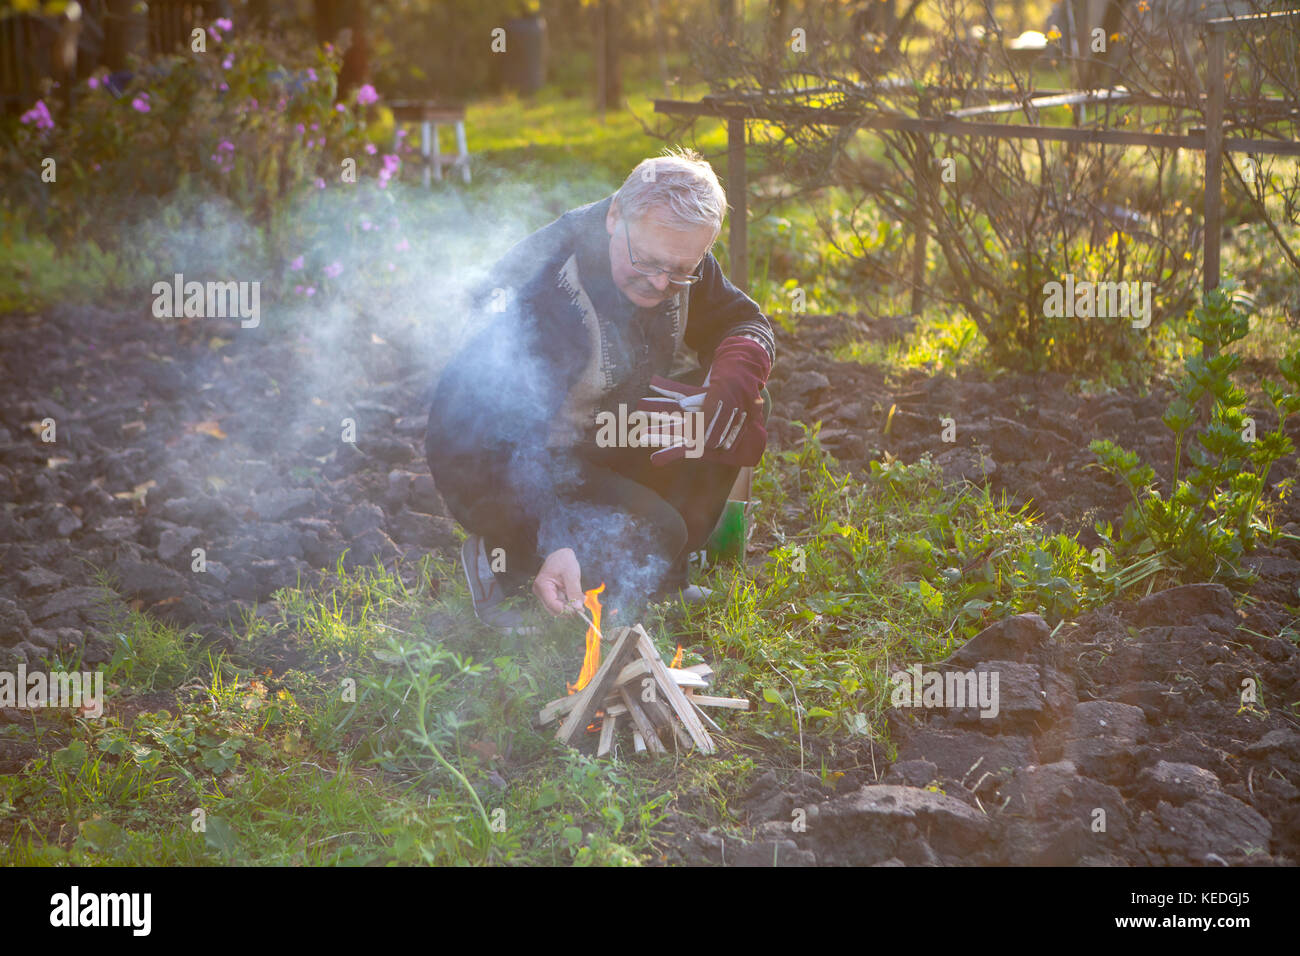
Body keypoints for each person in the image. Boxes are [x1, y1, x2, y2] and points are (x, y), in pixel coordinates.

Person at [425, 146, 775, 632]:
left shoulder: (674, 252)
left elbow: (743, 320)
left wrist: (736, 373)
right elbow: (493, 439)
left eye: (680, 271)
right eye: (647, 262)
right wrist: (551, 535)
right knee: (654, 531)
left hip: (607, 428)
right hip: (502, 455)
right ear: (615, 216)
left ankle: (664, 573)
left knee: (740, 403)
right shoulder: (541, 289)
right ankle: (502, 559)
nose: (659, 282)